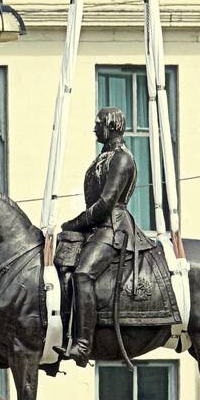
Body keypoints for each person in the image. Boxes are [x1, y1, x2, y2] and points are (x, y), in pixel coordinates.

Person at [56, 106, 146, 368]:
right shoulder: (103, 158)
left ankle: (83, 345)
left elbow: (106, 203)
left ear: (112, 125)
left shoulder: (121, 158)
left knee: (84, 273)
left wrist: (77, 222)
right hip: (96, 227)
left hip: (112, 228)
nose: (95, 128)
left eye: (98, 124)